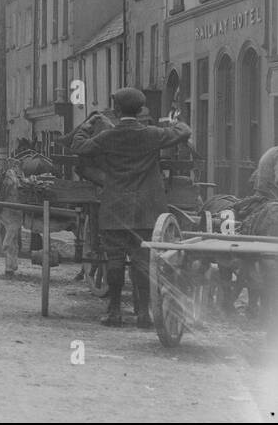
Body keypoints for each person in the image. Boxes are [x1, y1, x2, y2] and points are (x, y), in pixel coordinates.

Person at [73, 87, 191, 328]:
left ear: (116, 110)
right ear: (140, 110)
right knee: (142, 261)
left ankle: (114, 311)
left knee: (114, 260)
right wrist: (175, 117)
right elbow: (183, 131)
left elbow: (80, 147)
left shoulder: (108, 137)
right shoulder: (152, 134)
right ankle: (144, 314)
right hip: (147, 210)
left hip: (115, 207)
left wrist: (88, 124)